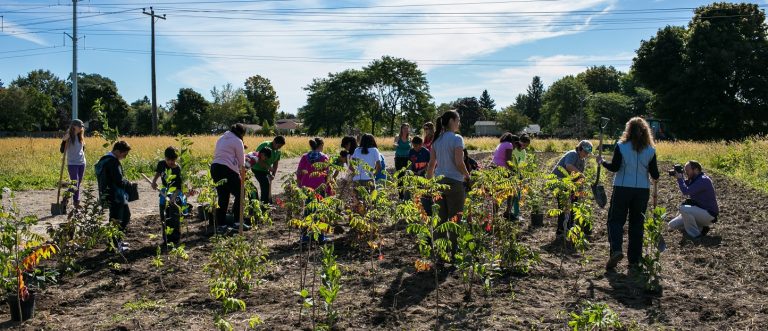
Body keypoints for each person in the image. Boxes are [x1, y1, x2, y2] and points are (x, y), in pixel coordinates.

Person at [598, 117, 660, 271]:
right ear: (645, 131)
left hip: (622, 188)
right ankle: (635, 259)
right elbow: (655, 174)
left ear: (628, 130)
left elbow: (615, 167)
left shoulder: (621, 146)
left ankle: (616, 250)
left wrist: (602, 162)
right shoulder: (651, 150)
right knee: (637, 224)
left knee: (615, 221)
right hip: (642, 191)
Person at [427, 110, 471, 259]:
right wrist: (467, 176)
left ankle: (439, 252)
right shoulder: (457, 139)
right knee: (454, 219)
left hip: (439, 182)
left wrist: (429, 183)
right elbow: (459, 163)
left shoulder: (436, 141)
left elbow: (431, 165)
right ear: (452, 120)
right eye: (458, 120)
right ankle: (454, 253)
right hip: (454, 183)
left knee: (440, 220)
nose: (459, 123)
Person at [95, 141, 133, 253]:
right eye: (124, 154)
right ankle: (115, 244)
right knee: (120, 219)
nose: (124, 157)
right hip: (116, 196)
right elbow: (118, 180)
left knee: (118, 218)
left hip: (108, 194)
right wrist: (128, 183)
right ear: (117, 151)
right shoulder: (113, 162)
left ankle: (115, 242)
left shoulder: (104, 160)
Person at [552, 140, 594, 237]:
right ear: (580, 149)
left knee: (574, 204)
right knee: (564, 206)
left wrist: (580, 188)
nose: (586, 155)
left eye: (588, 153)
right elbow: (569, 166)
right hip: (560, 183)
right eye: (585, 152)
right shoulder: (573, 154)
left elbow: (579, 177)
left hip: (571, 184)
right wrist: (581, 174)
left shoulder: (582, 160)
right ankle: (561, 231)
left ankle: (570, 228)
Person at [667, 161, 719, 238]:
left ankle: (695, 235)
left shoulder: (703, 180)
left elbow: (686, 191)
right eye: (685, 171)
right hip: (699, 212)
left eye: (687, 170)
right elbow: (684, 184)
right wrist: (678, 176)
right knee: (672, 225)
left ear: (696, 170)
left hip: (708, 214)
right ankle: (701, 228)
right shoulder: (693, 179)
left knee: (683, 209)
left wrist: (680, 178)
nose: (686, 173)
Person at [211, 124, 246, 230]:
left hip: (215, 168)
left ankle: (221, 225)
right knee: (241, 193)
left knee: (223, 196)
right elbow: (242, 162)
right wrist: (242, 175)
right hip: (227, 169)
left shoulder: (221, 138)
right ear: (241, 133)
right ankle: (237, 222)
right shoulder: (237, 141)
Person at [150, 146, 186, 247]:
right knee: (164, 215)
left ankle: (175, 239)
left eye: (173, 160)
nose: (171, 162)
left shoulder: (177, 169)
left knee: (174, 217)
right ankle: (166, 239)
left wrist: (173, 198)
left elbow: (179, 187)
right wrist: (154, 181)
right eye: (168, 160)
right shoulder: (161, 164)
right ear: (165, 157)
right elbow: (158, 172)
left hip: (175, 194)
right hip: (164, 192)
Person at [493, 133, 520, 219]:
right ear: (513, 142)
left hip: (496, 170)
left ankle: (495, 215)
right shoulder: (509, 145)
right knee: (511, 191)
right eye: (516, 144)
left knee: (498, 193)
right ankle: (507, 212)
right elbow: (508, 161)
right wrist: (515, 172)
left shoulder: (501, 144)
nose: (515, 147)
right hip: (503, 171)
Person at [60, 119, 87, 209]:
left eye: (82, 127)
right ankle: (65, 200)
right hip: (72, 163)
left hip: (82, 162)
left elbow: (83, 149)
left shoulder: (81, 136)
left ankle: (76, 202)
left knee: (78, 184)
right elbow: (63, 144)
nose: (81, 128)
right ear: (74, 126)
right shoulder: (69, 136)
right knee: (74, 184)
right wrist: (69, 133)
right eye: (79, 126)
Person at [251, 136, 286, 204]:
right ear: (274, 142)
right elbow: (257, 158)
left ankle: (266, 203)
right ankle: (264, 204)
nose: (279, 148)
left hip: (265, 170)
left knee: (267, 185)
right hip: (257, 168)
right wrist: (268, 167)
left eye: (280, 147)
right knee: (265, 183)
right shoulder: (265, 145)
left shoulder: (277, 151)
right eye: (278, 146)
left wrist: (273, 174)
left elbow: (276, 163)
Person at [394, 123, 412, 200]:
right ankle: (401, 195)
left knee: (407, 176)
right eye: (404, 128)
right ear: (401, 129)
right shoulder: (398, 137)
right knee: (400, 177)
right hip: (399, 158)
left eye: (407, 128)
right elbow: (394, 144)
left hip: (407, 159)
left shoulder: (410, 138)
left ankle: (407, 195)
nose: (405, 130)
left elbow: (411, 147)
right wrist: (395, 144)